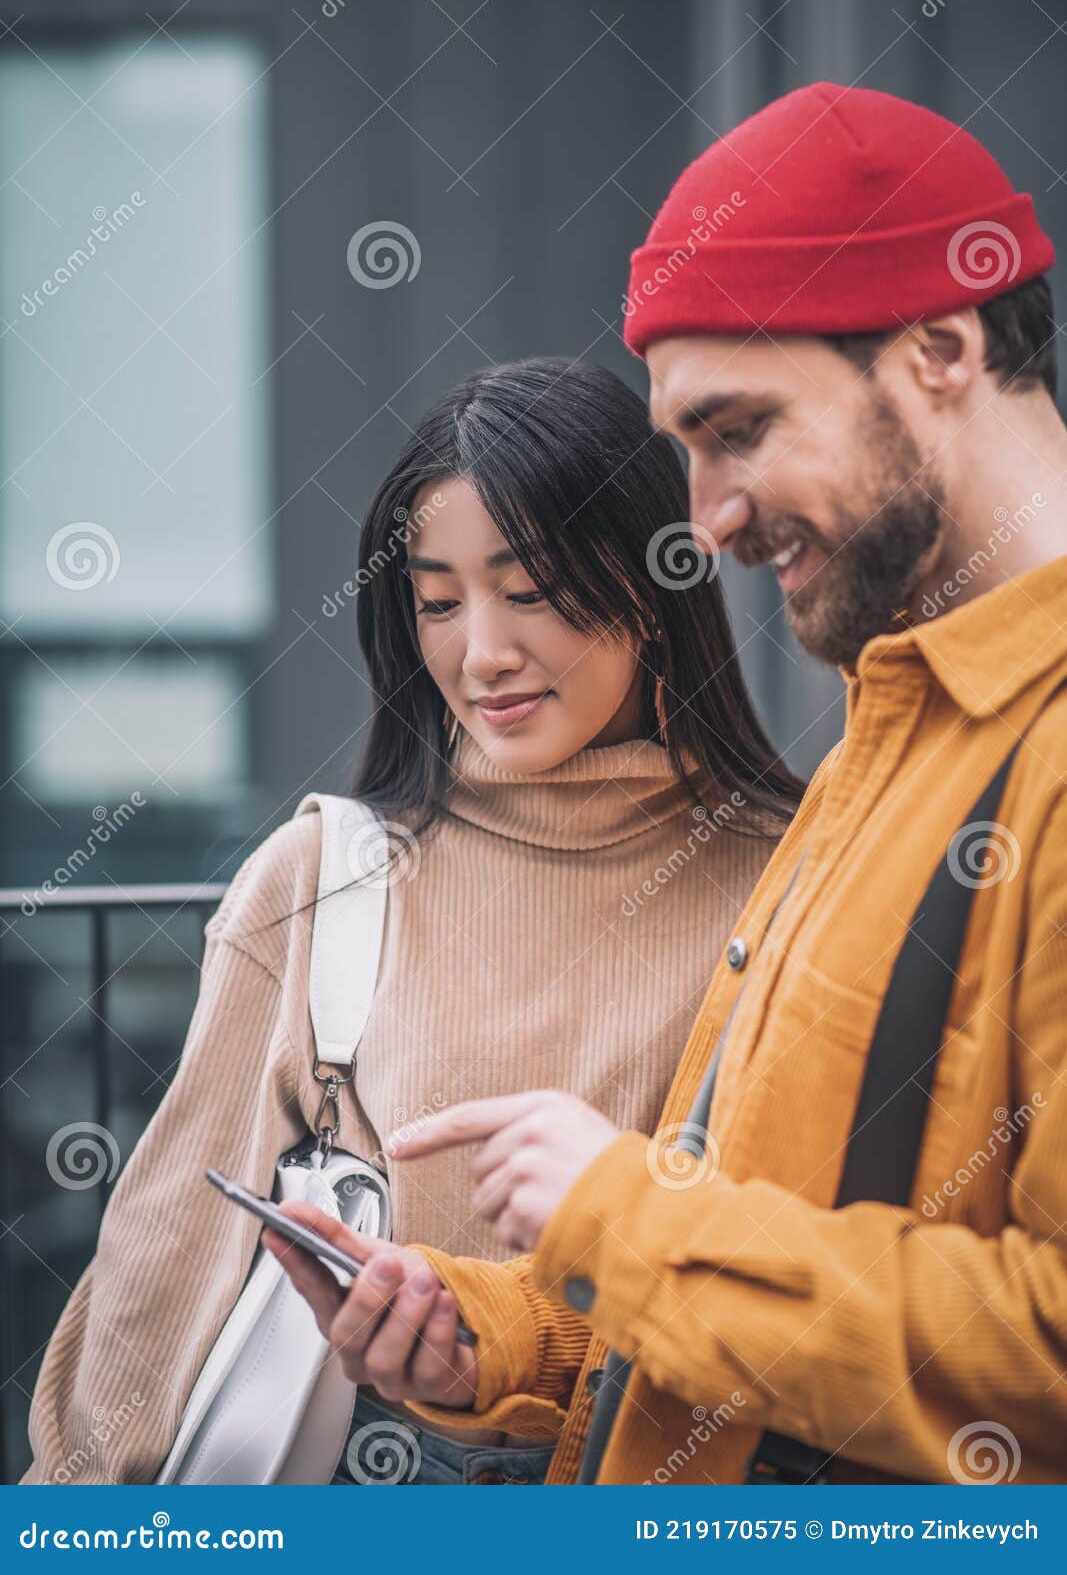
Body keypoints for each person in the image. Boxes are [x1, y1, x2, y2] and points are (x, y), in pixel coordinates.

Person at [272, 84, 1067, 1486]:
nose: (701, 519)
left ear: (937, 348)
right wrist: (499, 1339)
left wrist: (621, 1214)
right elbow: (753, 1277)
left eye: (737, 429)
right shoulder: (884, 734)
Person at [22, 358, 801, 1486]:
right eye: (437, 601)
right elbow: (164, 1265)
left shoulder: (801, 872)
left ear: (654, 581)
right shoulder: (324, 877)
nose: (479, 652)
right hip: (386, 1478)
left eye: (528, 589)